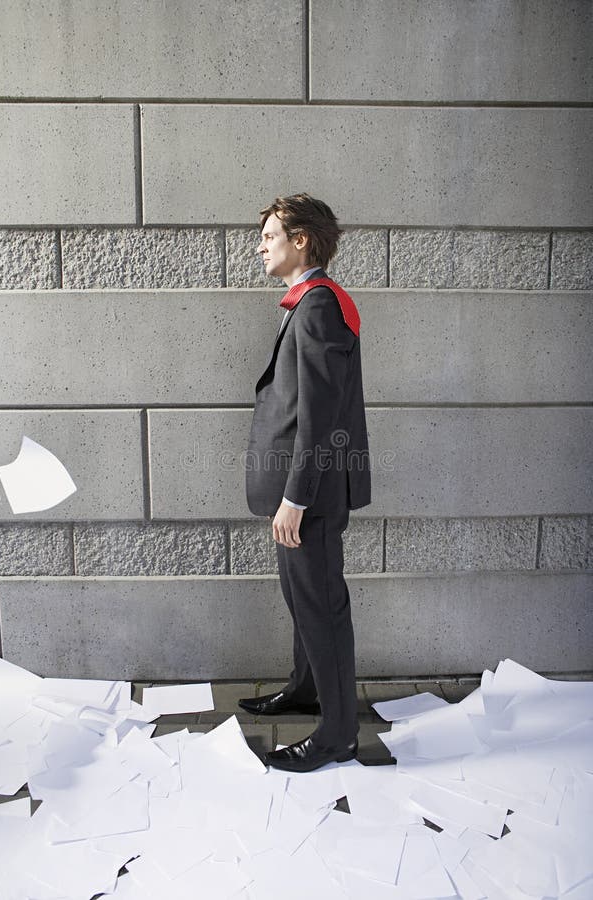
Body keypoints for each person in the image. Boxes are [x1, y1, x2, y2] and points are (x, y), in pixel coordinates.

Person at [240, 193, 371, 773]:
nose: (260, 245)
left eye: (269, 235)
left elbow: (319, 417)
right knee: (302, 598)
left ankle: (339, 735)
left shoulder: (318, 306)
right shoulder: (308, 302)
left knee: (320, 606)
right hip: (300, 492)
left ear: (301, 240)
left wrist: (294, 498)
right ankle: (306, 689)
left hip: (308, 495)